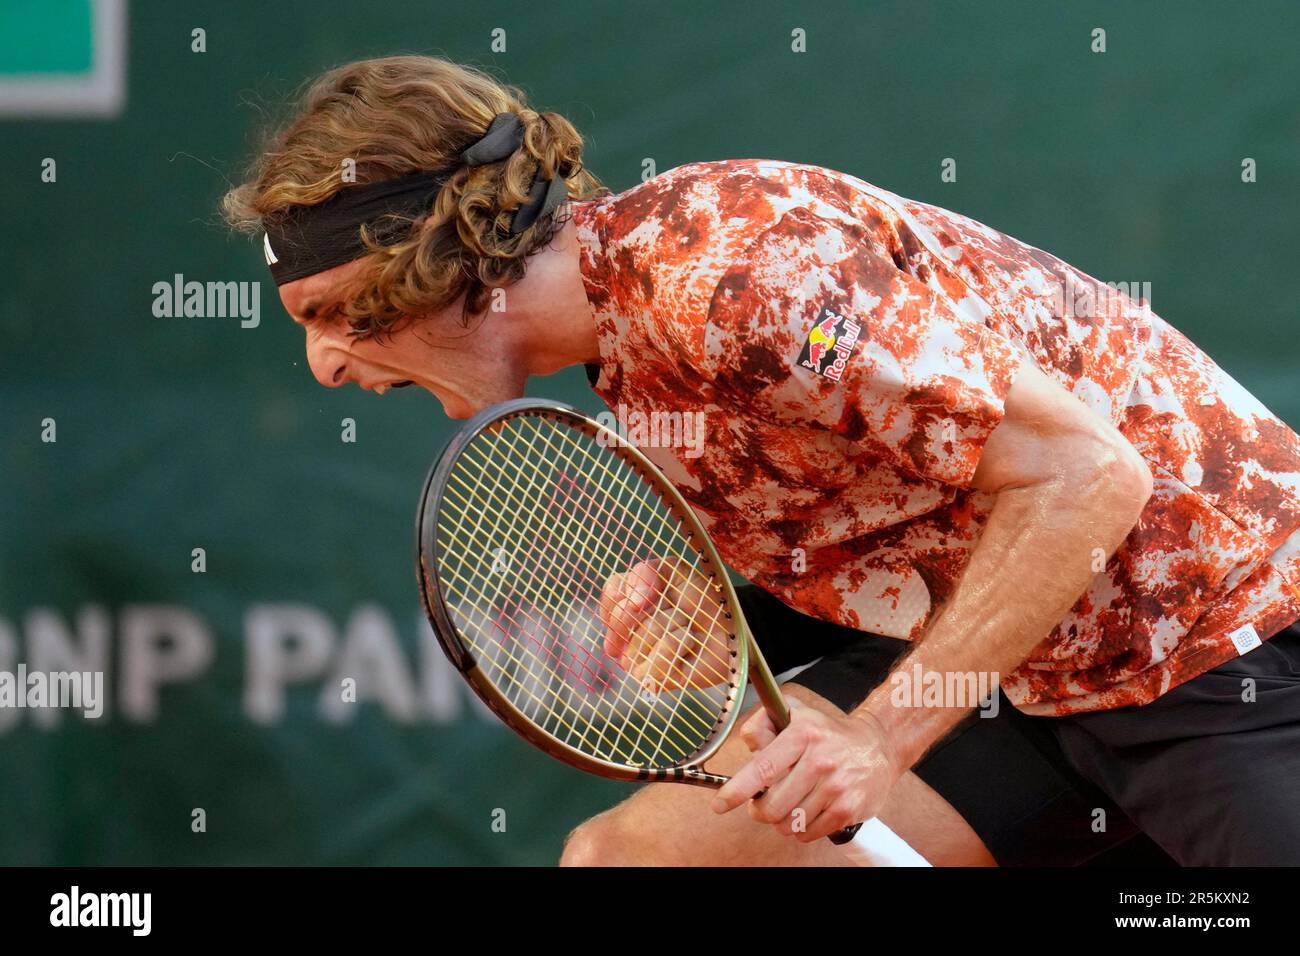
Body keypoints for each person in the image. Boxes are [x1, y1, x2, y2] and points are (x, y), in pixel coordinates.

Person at [223, 54, 1300, 865]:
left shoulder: (742, 276)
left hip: (1216, 642)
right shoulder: (626, 352)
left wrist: (876, 739)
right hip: (1011, 674)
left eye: (330, 313)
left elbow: (1084, 475)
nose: (324, 364)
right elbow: (920, 509)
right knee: (626, 860)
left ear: (430, 251)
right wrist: (739, 614)